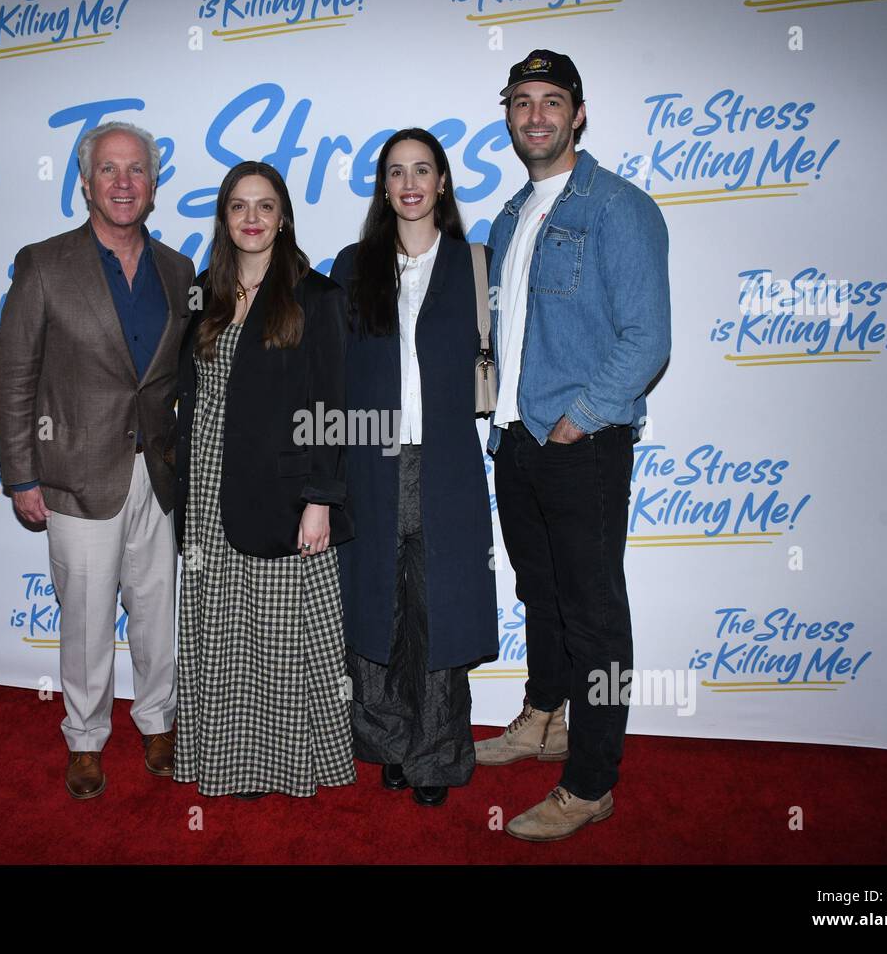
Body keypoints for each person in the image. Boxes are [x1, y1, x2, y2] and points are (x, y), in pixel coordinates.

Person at [475, 50, 671, 841]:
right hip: (514, 440)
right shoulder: (509, 216)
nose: (536, 116)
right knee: (541, 596)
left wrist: (579, 417)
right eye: (522, 101)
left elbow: (646, 338)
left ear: (578, 114)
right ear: (509, 114)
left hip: (579, 442)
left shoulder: (618, 208)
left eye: (552, 101)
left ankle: (592, 781)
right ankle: (544, 718)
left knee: (595, 618)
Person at [0, 121, 195, 800]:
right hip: (75, 475)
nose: (123, 182)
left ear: (155, 183)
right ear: (84, 183)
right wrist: (21, 475)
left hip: (155, 473)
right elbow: (14, 372)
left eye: (136, 169)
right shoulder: (45, 264)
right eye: (108, 170)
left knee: (157, 610)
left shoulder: (177, 269)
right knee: (84, 619)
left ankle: (159, 721)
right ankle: (84, 738)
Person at [173, 160, 356, 799]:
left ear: (283, 217)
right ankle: (226, 759)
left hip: (281, 491)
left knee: (278, 637)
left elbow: (332, 410)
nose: (252, 219)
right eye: (238, 207)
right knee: (217, 632)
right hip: (205, 486)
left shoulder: (317, 295)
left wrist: (320, 499)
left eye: (265, 206)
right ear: (223, 218)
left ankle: (284, 763)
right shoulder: (205, 292)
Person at [330, 129, 498, 808]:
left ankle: (435, 756)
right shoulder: (350, 266)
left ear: (442, 182)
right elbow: (330, 372)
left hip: (447, 464)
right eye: (396, 171)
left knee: (438, 614)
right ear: (384, 186)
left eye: (422, 169)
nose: (409, 183)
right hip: (368, 464)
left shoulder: (472, 264)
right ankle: (390, 745)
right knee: (378, 610)